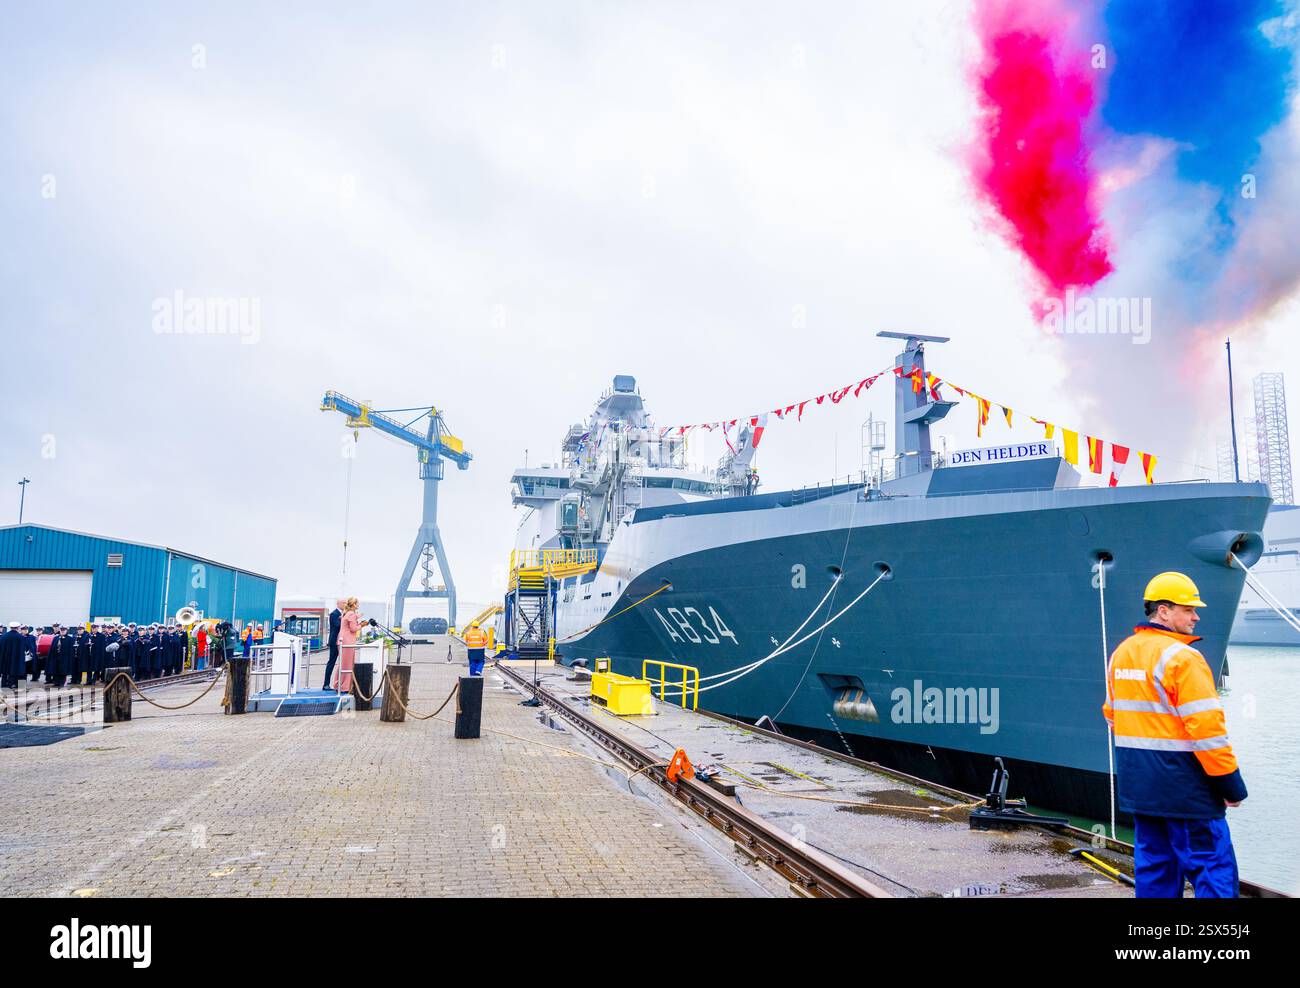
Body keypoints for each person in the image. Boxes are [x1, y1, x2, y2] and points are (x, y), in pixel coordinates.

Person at [1103, 571, 1247, 898]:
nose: (1196, 616)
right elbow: (1208, 732)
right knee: (1212, 869)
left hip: (1141, 789)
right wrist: (1230, 785)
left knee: (1155, 871)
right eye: (1188, 609)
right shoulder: (1183, 658)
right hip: (1187, 792)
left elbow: (1112, 715)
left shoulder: (1121, 654)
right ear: (1164, 611)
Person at [336, 598, 362, 692]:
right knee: (348, 664)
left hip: (342, 639)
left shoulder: (346, 613)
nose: (358, 605)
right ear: (354, 605)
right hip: (348, 640)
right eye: (357, 603)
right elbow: (353, 628)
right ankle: (345, 686)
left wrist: (357, 617)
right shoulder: (351, 614)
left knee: (343, 663)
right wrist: (362, 625)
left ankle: (338, 684)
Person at [322, 599, 343, 690]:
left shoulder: (343, 614)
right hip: (334, 641)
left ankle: (341, 684)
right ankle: (326, 684)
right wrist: (344, 619)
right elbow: (338, 625)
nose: (345, 604)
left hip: (342, 641)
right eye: (343, 603)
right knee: (331, 662)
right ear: (338, 604)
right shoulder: (334, 614)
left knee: (343, 663)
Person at [0, 621, 23, 689]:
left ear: (10, 627)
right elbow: (22, 649)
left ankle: (3, 683)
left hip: (5, 657)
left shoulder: (3, 636)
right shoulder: (20, 637)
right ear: (17, 628)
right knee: (14, 670)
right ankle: (11, 683)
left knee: (4, 671)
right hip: (15, 657)